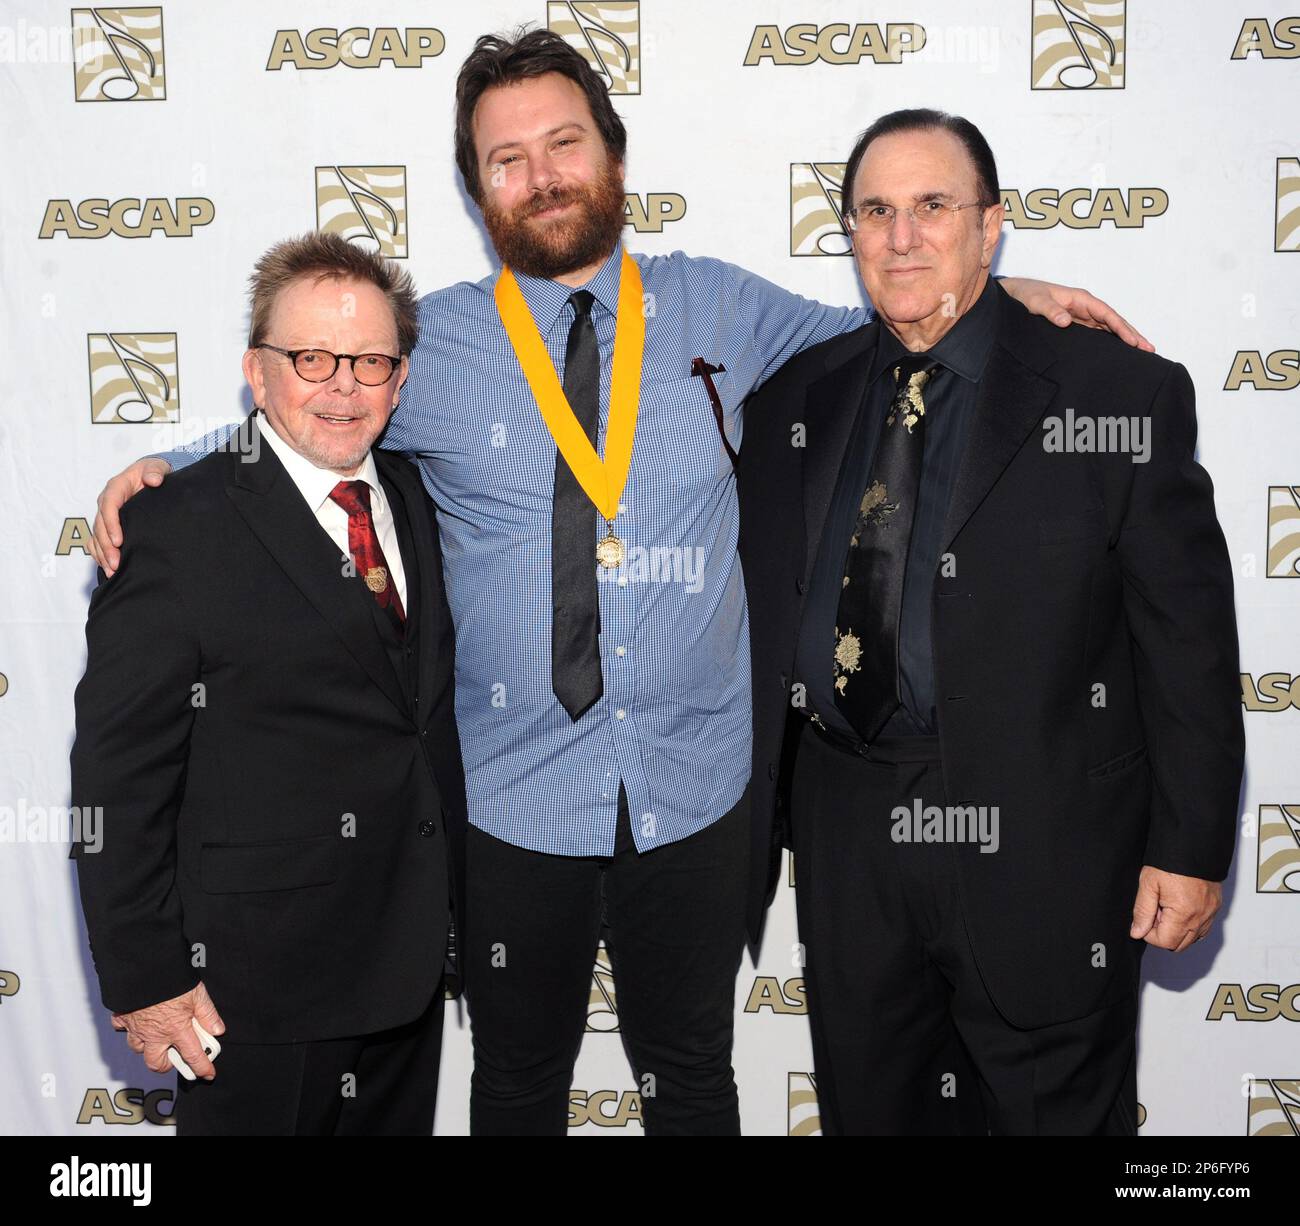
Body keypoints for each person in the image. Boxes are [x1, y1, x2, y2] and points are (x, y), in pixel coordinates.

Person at [85, 31, 1150, 1136]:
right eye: (507, 159)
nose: (540, 174)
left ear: (616, 159)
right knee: (514, 1082)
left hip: (696, 787)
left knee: (691, 1077)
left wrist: (997, 280)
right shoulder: (431, 343)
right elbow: (311, 414)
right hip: (507, 796)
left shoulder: (722, 309)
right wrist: (163, 471)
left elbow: (886, 334)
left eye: (563, 143)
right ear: (477, 188)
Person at [739, 108, 1244, 1135]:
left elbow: (1187, 640)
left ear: (991, 225)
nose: (902, 236)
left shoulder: (1115, 392)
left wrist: (1190, 846)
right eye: (875, 211)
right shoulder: (798, 395)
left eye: (933, 207)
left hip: (1045, 839)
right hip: (848, 836)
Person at [71, 232, 466, 1136]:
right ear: (258, 372)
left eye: (370, 361)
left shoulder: (413, 496)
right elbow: (114, 777)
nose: (342, 385)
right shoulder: (173, 528)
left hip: (402, 969)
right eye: (311, 358)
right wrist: (146, 977)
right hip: (247, 992)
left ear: (400, 380)